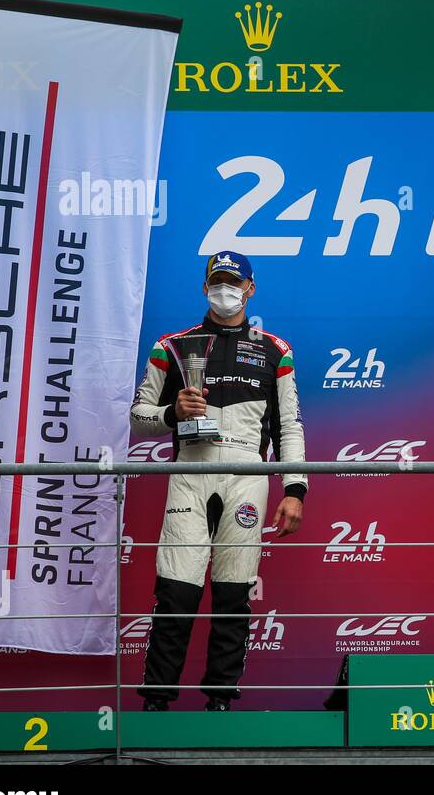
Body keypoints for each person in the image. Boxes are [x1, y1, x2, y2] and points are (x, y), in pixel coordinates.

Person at [131, 251, 306, 710]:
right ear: (204, 287)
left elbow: (290, 425)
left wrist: (295, 489)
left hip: (248, 474)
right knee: (176, 589)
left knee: (233, 592)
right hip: (190, 472)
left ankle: (221, 700)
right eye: (216, 282)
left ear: (250, 289)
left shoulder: (276, 350)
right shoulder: (171, 345)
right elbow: (140, 416)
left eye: (233, 283)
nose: (224, 290)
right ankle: (156, 700)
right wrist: (173, 412)